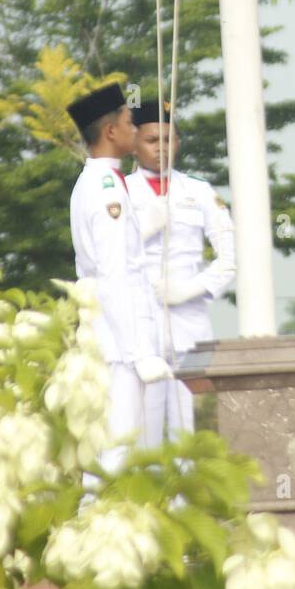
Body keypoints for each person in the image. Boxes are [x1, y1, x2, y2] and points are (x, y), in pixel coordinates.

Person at [67, 83, 173, 481]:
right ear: (111, 131)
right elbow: (112, 276)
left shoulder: (105, 182)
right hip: (119, 346)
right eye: (130, 121)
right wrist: (138, 351)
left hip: (120, 340)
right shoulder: (104, 188)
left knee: (135, 451)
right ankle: (97, 532)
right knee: (118, 453)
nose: (135, 127)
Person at [127, 100, 236, 444]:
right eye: (150, 140)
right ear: (134, 143)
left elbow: (229, 258)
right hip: (141, 319)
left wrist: (192, 288)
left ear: (178, 143)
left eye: (167, 140)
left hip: (189, 320)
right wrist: (142, 229)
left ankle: (187, 497)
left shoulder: (199, 192)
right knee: (144, 424)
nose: (160, 148)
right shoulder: (121, 191)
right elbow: (102, 257)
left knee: (190, 425)